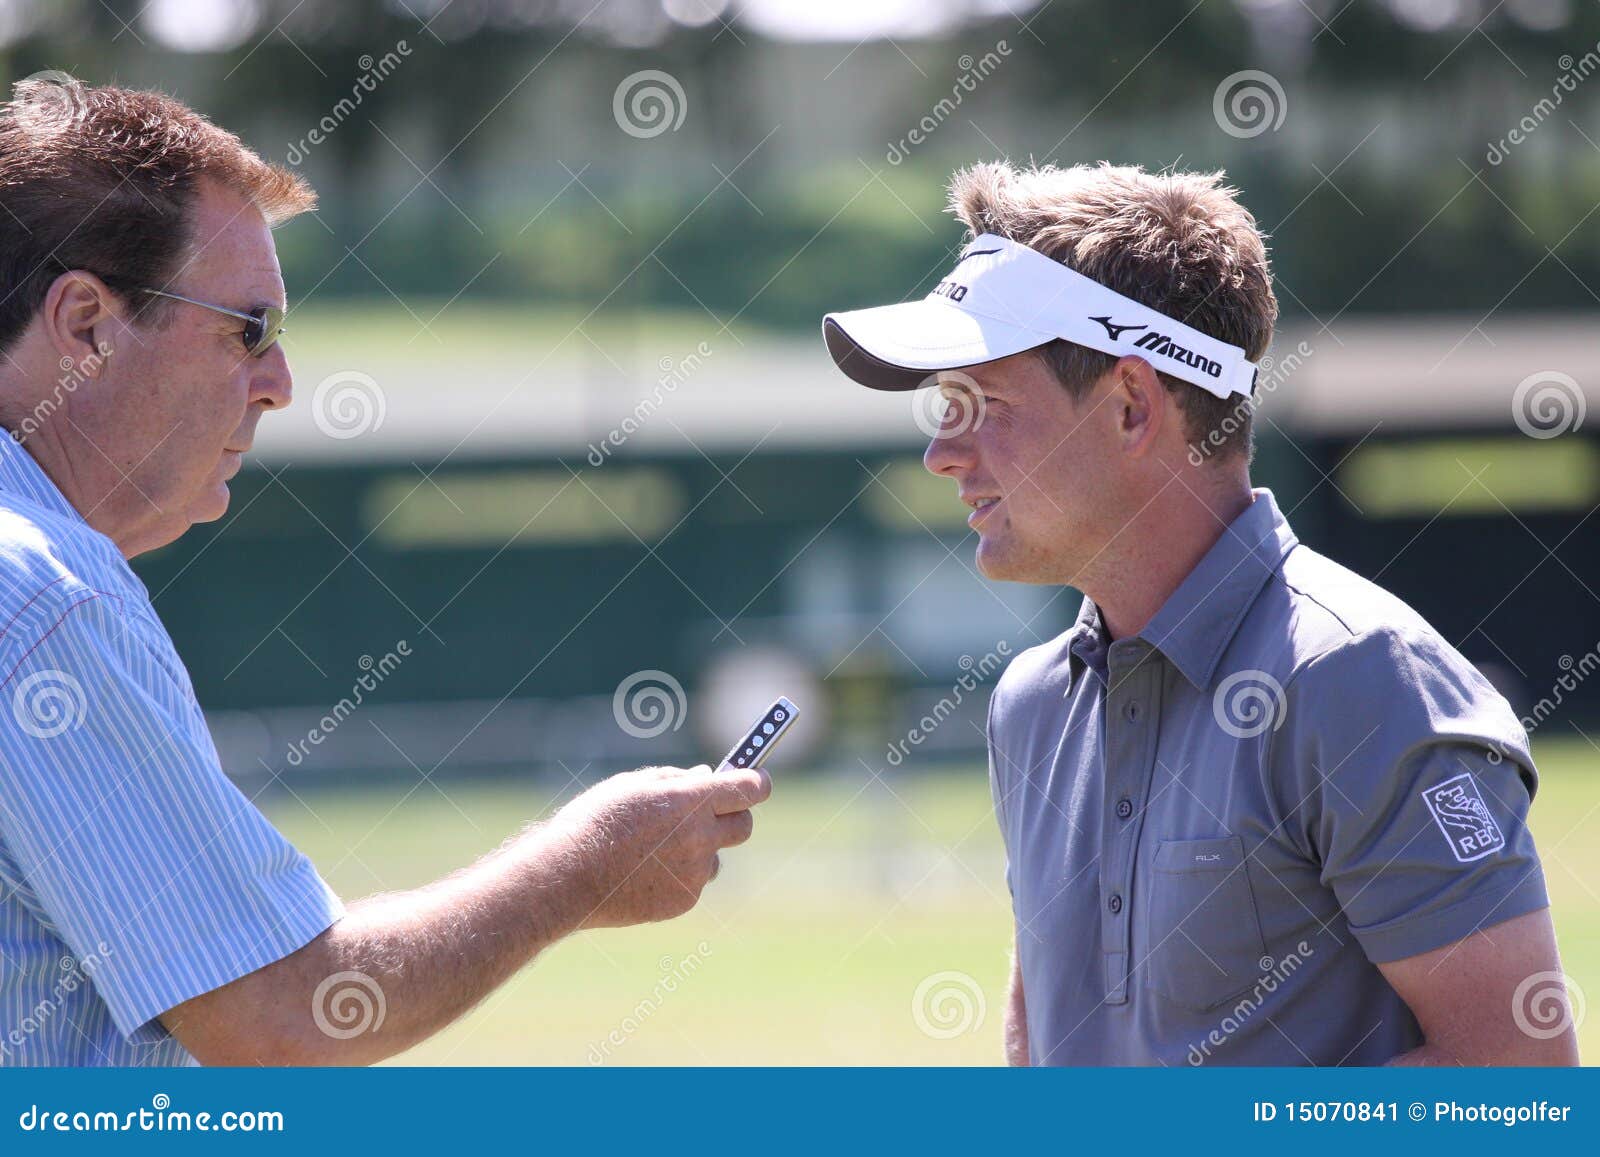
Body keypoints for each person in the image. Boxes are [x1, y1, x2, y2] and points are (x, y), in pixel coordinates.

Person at [0, 76, 769, 1067]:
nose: (278, 383)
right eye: (249, 329)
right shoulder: (48, 592)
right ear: (86, 324)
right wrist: (585, 864)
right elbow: (284, 1012)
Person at [821, 160, 1578, 1066]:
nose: (942, 452)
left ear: (1133, 406)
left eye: (979, 402)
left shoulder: (1360, 679)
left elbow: (1517, 1084)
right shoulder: (1029, 705)